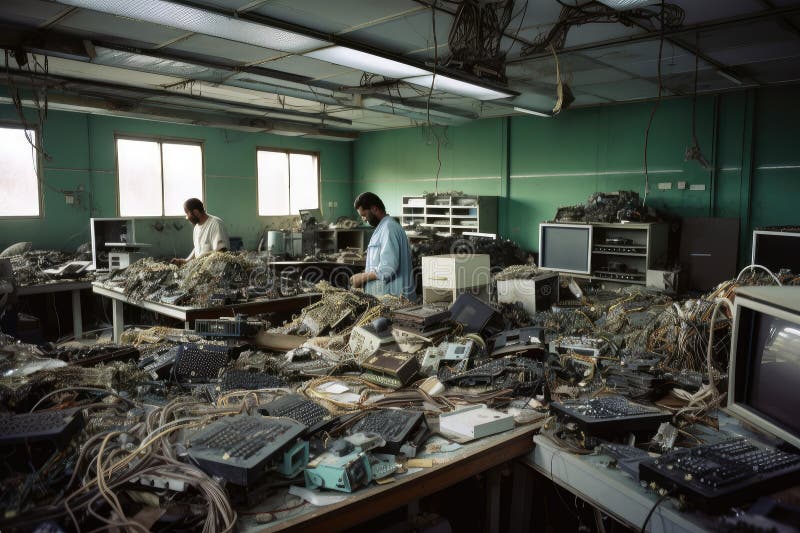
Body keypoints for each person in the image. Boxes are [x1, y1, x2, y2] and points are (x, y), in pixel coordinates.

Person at [350, 192, 415, 300]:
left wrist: (362, 277)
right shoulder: (383, 227)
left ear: (374, 209)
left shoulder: (389, 228)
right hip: (386, 296)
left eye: (364, 215)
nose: (364, 219)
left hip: (393, 298)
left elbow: (388, 268)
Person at [171, 198, 229, 266]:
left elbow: (221, 252)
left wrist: (201, 258)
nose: (187, 217)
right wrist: (186, 261)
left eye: (187, 213)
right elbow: (197, 248)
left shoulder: (215, 224)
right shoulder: (196, 228)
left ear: (196, 212)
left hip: (215, 269)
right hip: (202, 268)